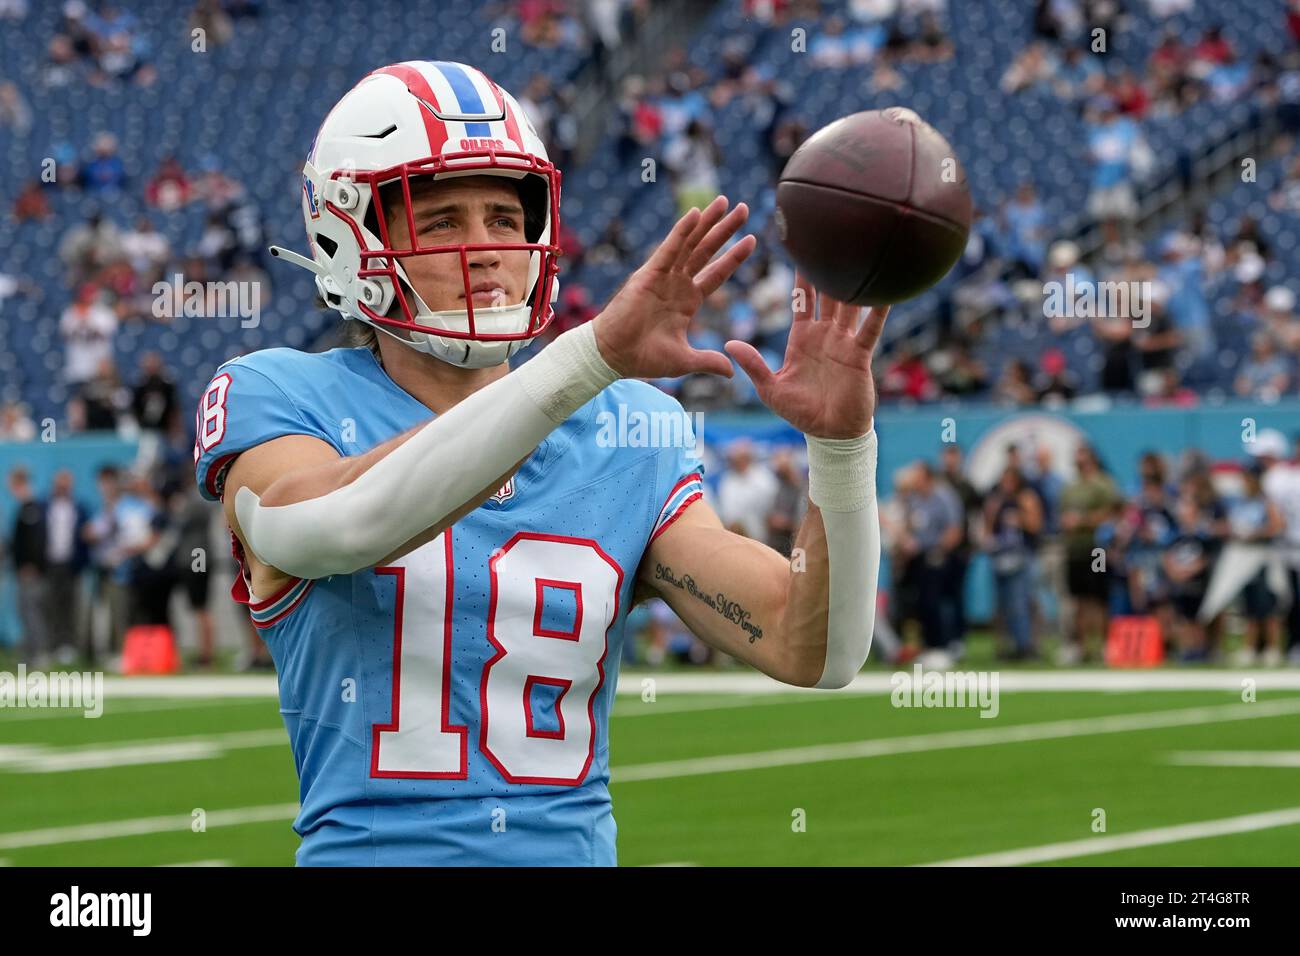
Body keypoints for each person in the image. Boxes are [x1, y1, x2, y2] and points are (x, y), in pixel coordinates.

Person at [194, 61, 888, 867]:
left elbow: (815, 650)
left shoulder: (630, 430)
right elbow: (337, 527)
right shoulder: (282, 394)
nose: (487, 249)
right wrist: (585, 361)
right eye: (443, 220)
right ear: (349, 238)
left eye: (504, 216)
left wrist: (841, 451)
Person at [1059, 444, 1123, 663]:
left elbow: (1112, 513)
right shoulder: (1071, 487)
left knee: (1098, 598)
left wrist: (1082, 521)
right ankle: (1081, 646)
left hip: (1096, 548)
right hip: (1075, 549)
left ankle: (1104, 645)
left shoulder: (1103, 483)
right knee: (1078, 599)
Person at [982, 465, 1042, 659]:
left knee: (1021, 603)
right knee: (1002, 605)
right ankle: (1005, 646)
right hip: (1001, 556)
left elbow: (1035, 525)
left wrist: (1020, 517)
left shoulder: (1026, 497)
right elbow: (988, 528)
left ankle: (1026, 645)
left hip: (1022, 556)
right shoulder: (997, 500)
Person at [7, 467, 50, 667]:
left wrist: (31, 564)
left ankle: (39, 653)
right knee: (25, 611)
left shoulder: (32, 508)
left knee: (32, 612)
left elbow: (37, 540)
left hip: (30, 571)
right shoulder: (26, 507)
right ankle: (31, 653)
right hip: (25, 569)